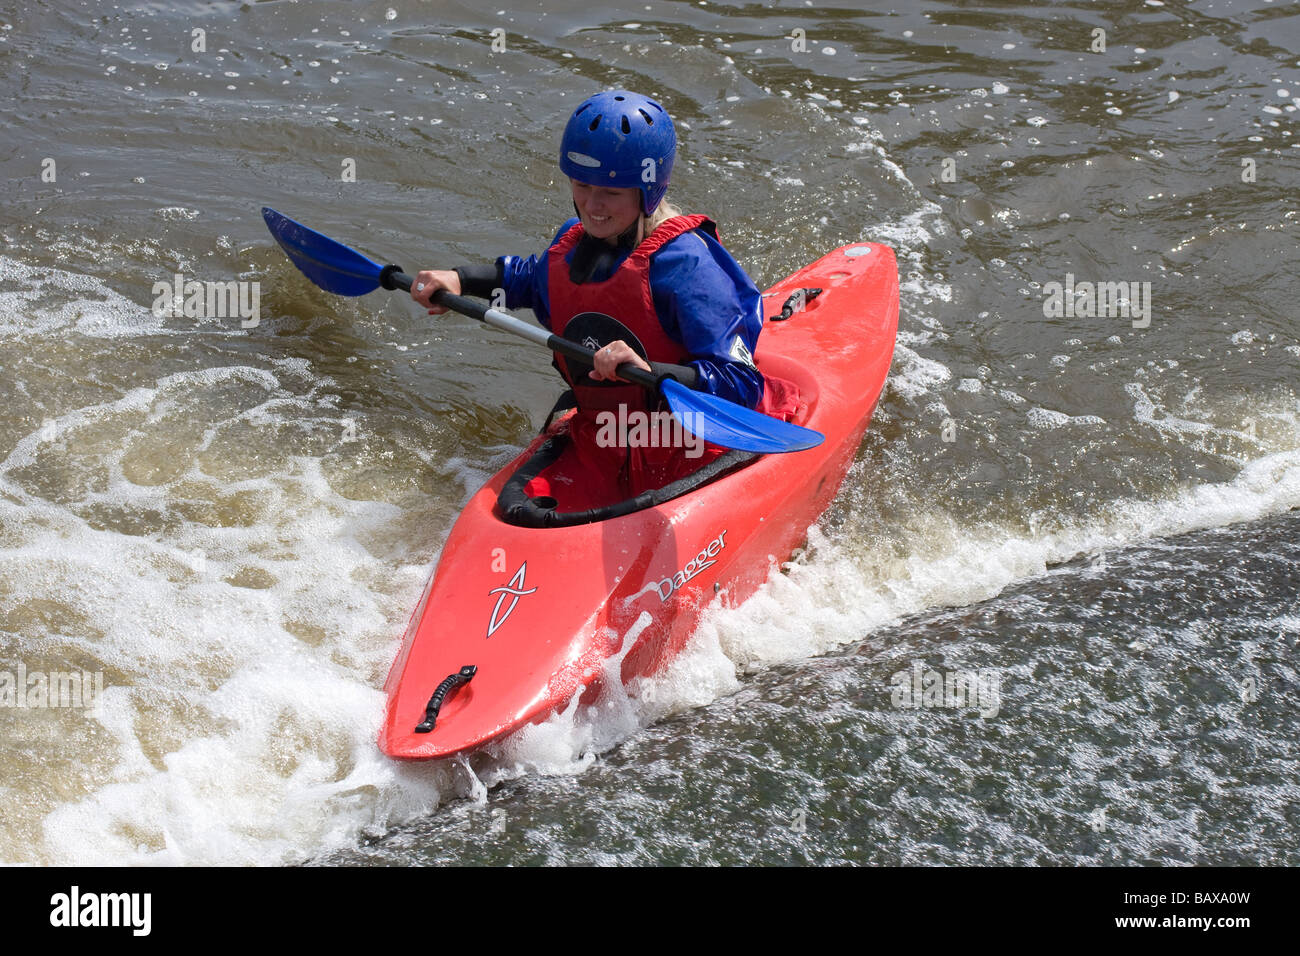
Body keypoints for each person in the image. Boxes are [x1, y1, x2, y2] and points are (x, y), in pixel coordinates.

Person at [410, 89, 797, 505]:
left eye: (611, 192)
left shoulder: (688, 267)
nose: (592, 205)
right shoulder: (575, 247)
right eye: (581, 184)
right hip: (604, 440)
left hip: (697, 446)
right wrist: (459, 280)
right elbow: (529, 279)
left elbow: (741, 385)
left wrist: (649, 369)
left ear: (647, 192)